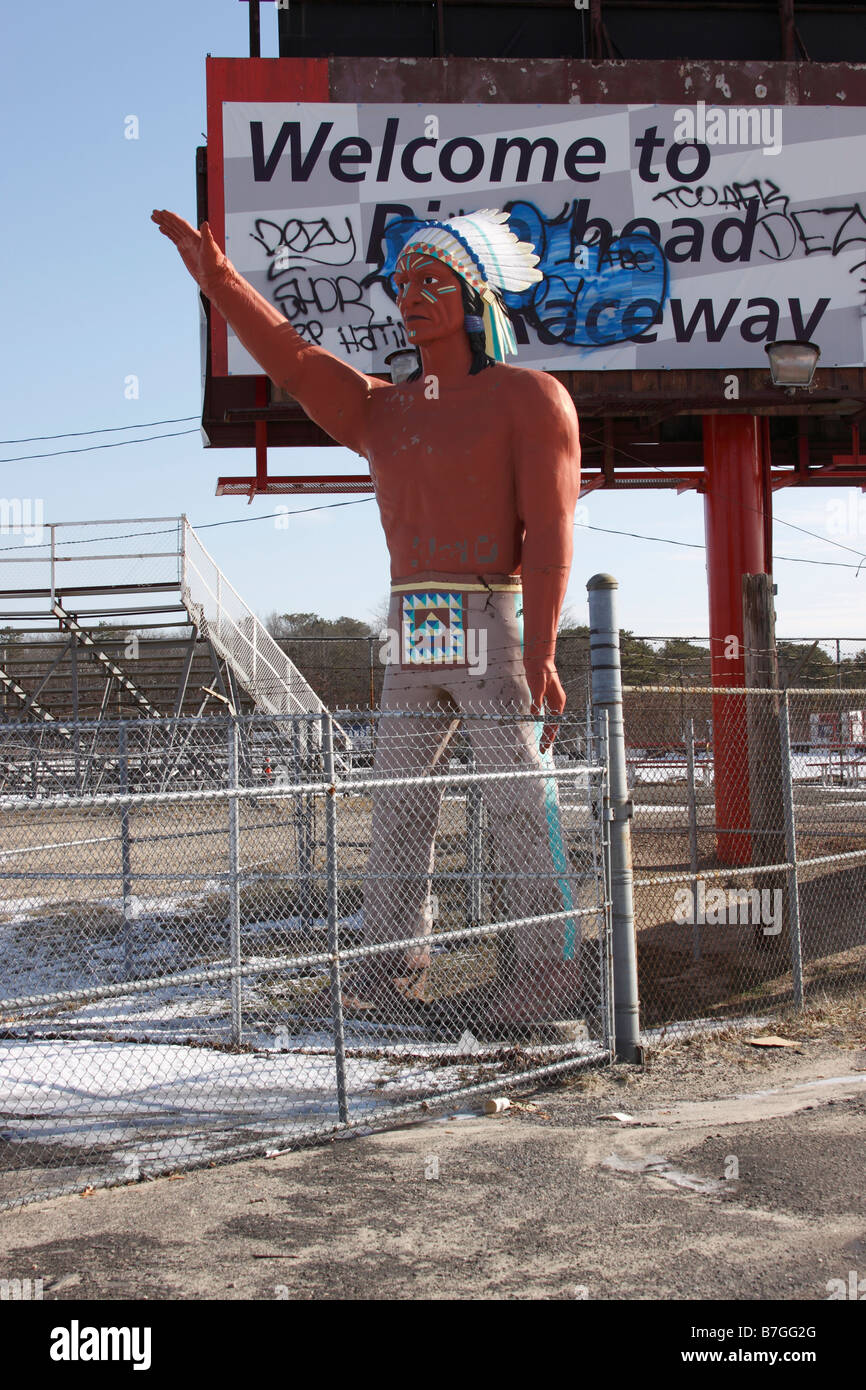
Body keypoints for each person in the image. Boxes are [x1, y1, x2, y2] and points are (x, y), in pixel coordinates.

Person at [152, 206, 582, 1028]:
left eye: (434, 282)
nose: (413, 296)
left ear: (474, 295)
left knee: (524, 797)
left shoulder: (530, 398)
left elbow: (553, 529)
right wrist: (220, 281)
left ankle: (552, 967)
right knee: (399, 808)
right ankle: (390, 968)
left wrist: (546, 647)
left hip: (494, 610)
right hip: (411, 618)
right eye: (406, 282)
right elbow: (294, 357)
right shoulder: (383, 409)